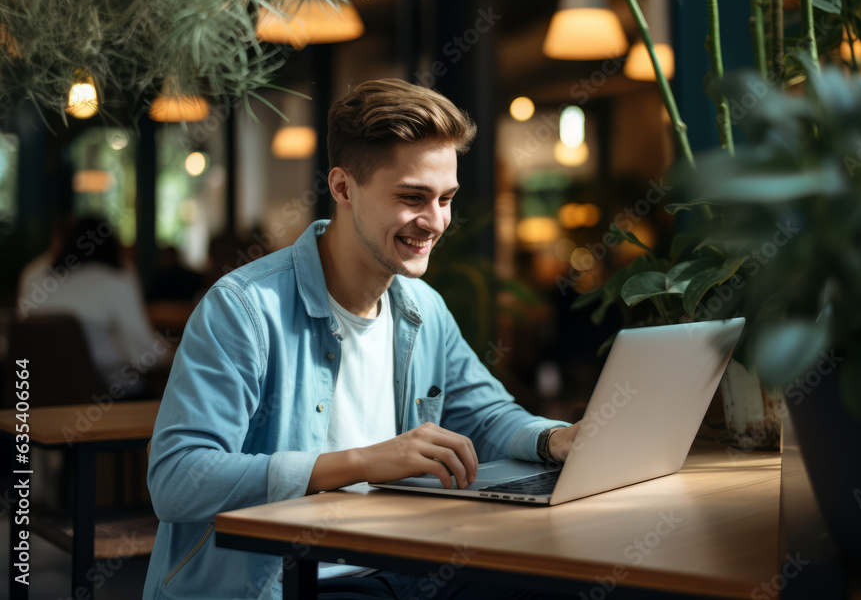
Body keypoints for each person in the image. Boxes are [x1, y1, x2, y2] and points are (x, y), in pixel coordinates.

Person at [144, 79, 581, 600]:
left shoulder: (424, 309)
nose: (436, 221)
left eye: (446, 198)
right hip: (283, 582)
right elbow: (177, 479)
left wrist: (554, 440)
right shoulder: (243, 308)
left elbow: (484, 415)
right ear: (343, 187)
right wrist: (365, 462)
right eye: (412, 197)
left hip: (402, 568)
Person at [21, 215, 163, 397]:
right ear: (113, 246)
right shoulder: (116, 279)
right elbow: (142, 349)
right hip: (108, 396)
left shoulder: (33, 276)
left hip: (36, 396)